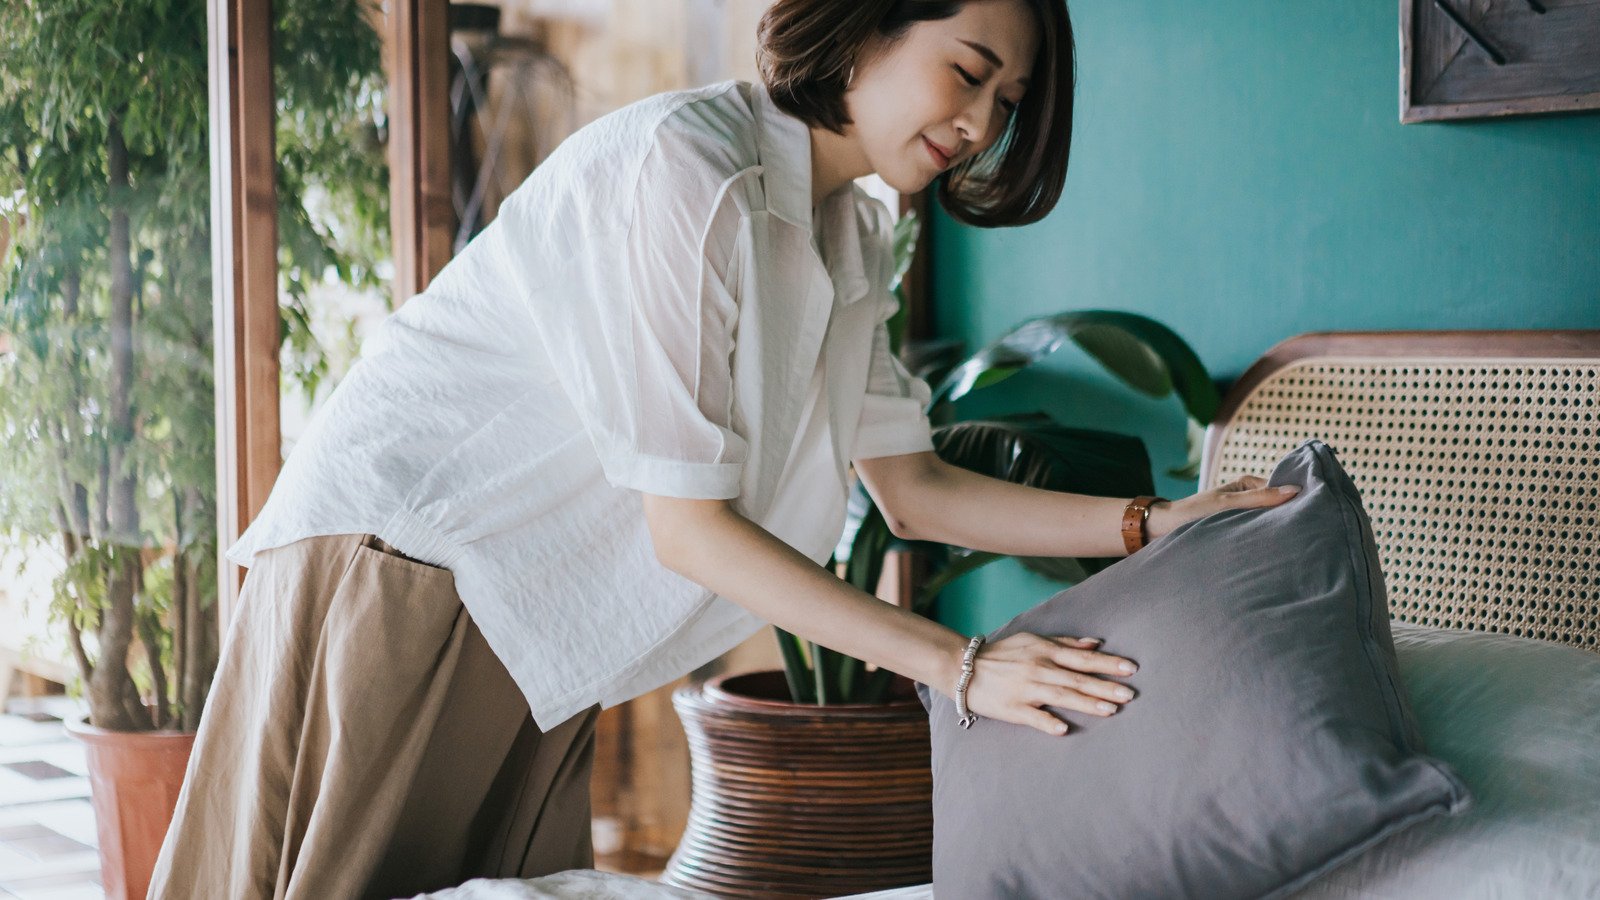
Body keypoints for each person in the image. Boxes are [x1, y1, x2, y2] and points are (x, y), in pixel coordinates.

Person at [149, 0, 1297, 898]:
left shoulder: (851, 226)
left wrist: (1151, 524)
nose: (984, 121)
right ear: (864, 26)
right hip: (404, 572)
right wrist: (959, 666)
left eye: (1011, 97)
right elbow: (688, 527)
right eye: (968, 70)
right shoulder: (690, 172)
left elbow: (909, 488)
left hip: (535, 630)